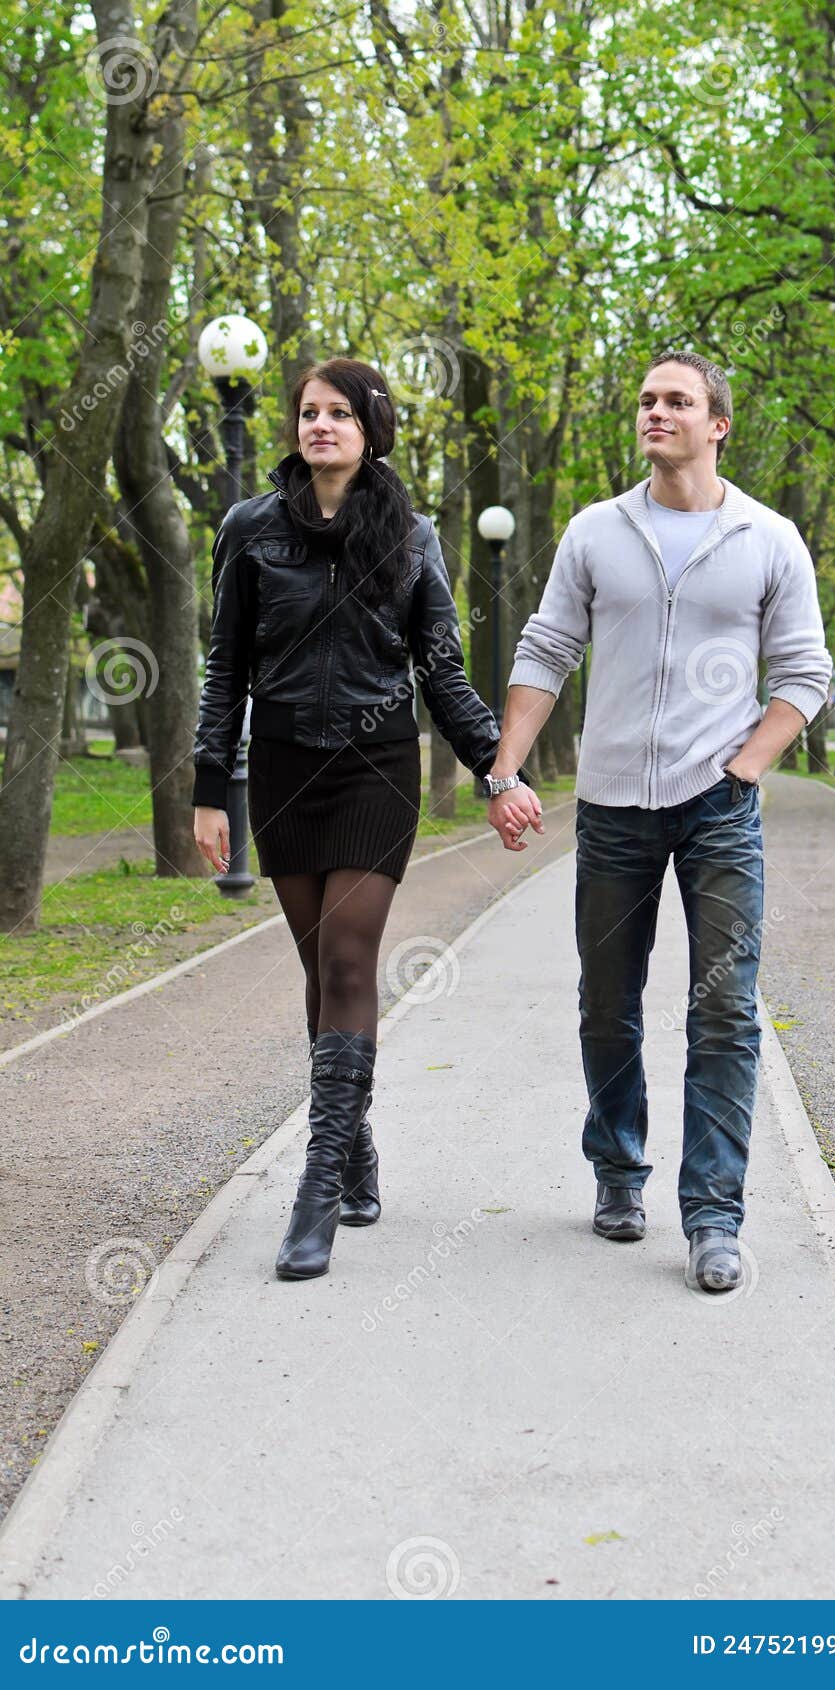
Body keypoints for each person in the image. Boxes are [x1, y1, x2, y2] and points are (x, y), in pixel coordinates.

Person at [483, 351, 832, 1293]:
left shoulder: (769, 538)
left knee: (722, 1009)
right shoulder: (598, 531)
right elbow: (547, 648)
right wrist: (505, 766)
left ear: (717, 424)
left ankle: (714, 1217)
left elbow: (805, 673)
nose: (655, 412)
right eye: (645, 400)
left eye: (676, 401)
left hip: (718, 811)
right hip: (611, 811)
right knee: (608, 1001)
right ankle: (617, 1172)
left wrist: (746, 764)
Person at [191, 357, 522, 1281]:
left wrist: (499, 774)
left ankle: (314, 1191)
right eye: (308, 412)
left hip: (377, 769)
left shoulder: (411, 537)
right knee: (317, 970)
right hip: (287, 770)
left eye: (339, 413)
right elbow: (225, 669)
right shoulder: (249, 530)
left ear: (371, 428)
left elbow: (442, 672)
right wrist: (210, 787)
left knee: (346, 961)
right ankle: (356, 1145)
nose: (320, 426)